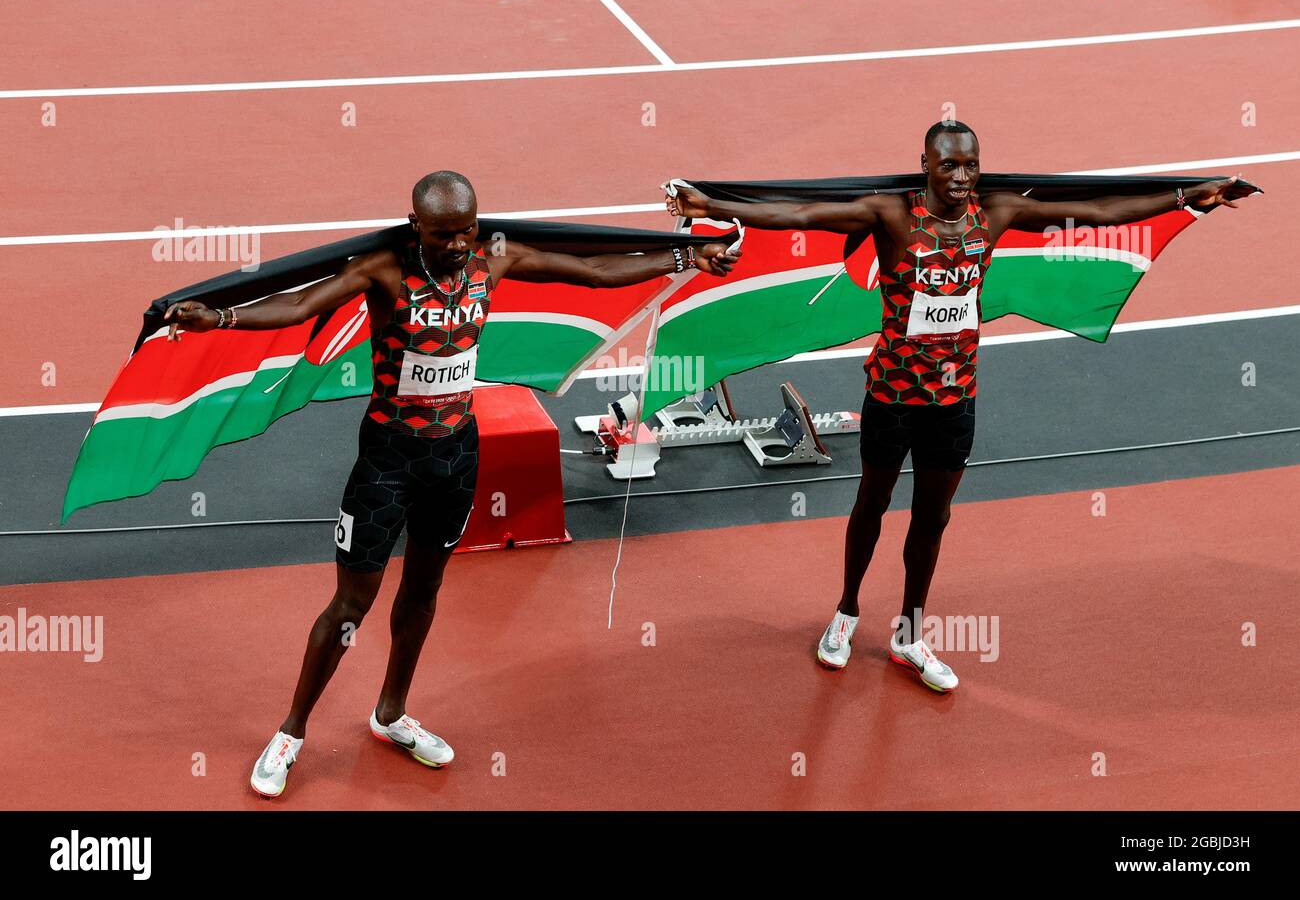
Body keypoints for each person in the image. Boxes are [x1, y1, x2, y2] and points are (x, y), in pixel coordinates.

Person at [164, 170, 741, 796]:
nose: (458, 244)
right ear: (417, 226)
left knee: (423, 592)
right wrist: (220, 316)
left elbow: (594, 270)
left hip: (456, 457)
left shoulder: (493, 258)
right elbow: (303, 304)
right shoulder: (384, 270)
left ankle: (391, 714)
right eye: (443, 235)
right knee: (351, 605)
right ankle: (291, 733)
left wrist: (687, 254)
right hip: (386, 462)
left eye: (466, 230)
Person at [667, 122, 1254, 692]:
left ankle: (910, 633)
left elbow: (1099, 214)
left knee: (933, 518)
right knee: (870, 505)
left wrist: (1187, 199)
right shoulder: (890, 215)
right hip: (892, 396)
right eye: (949, 164)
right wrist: (711, 205)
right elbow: (797, 215)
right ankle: (845, 613)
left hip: (955, 399)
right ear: (926, 165)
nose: (961, 176)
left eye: (970, 164)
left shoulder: (994, 212)